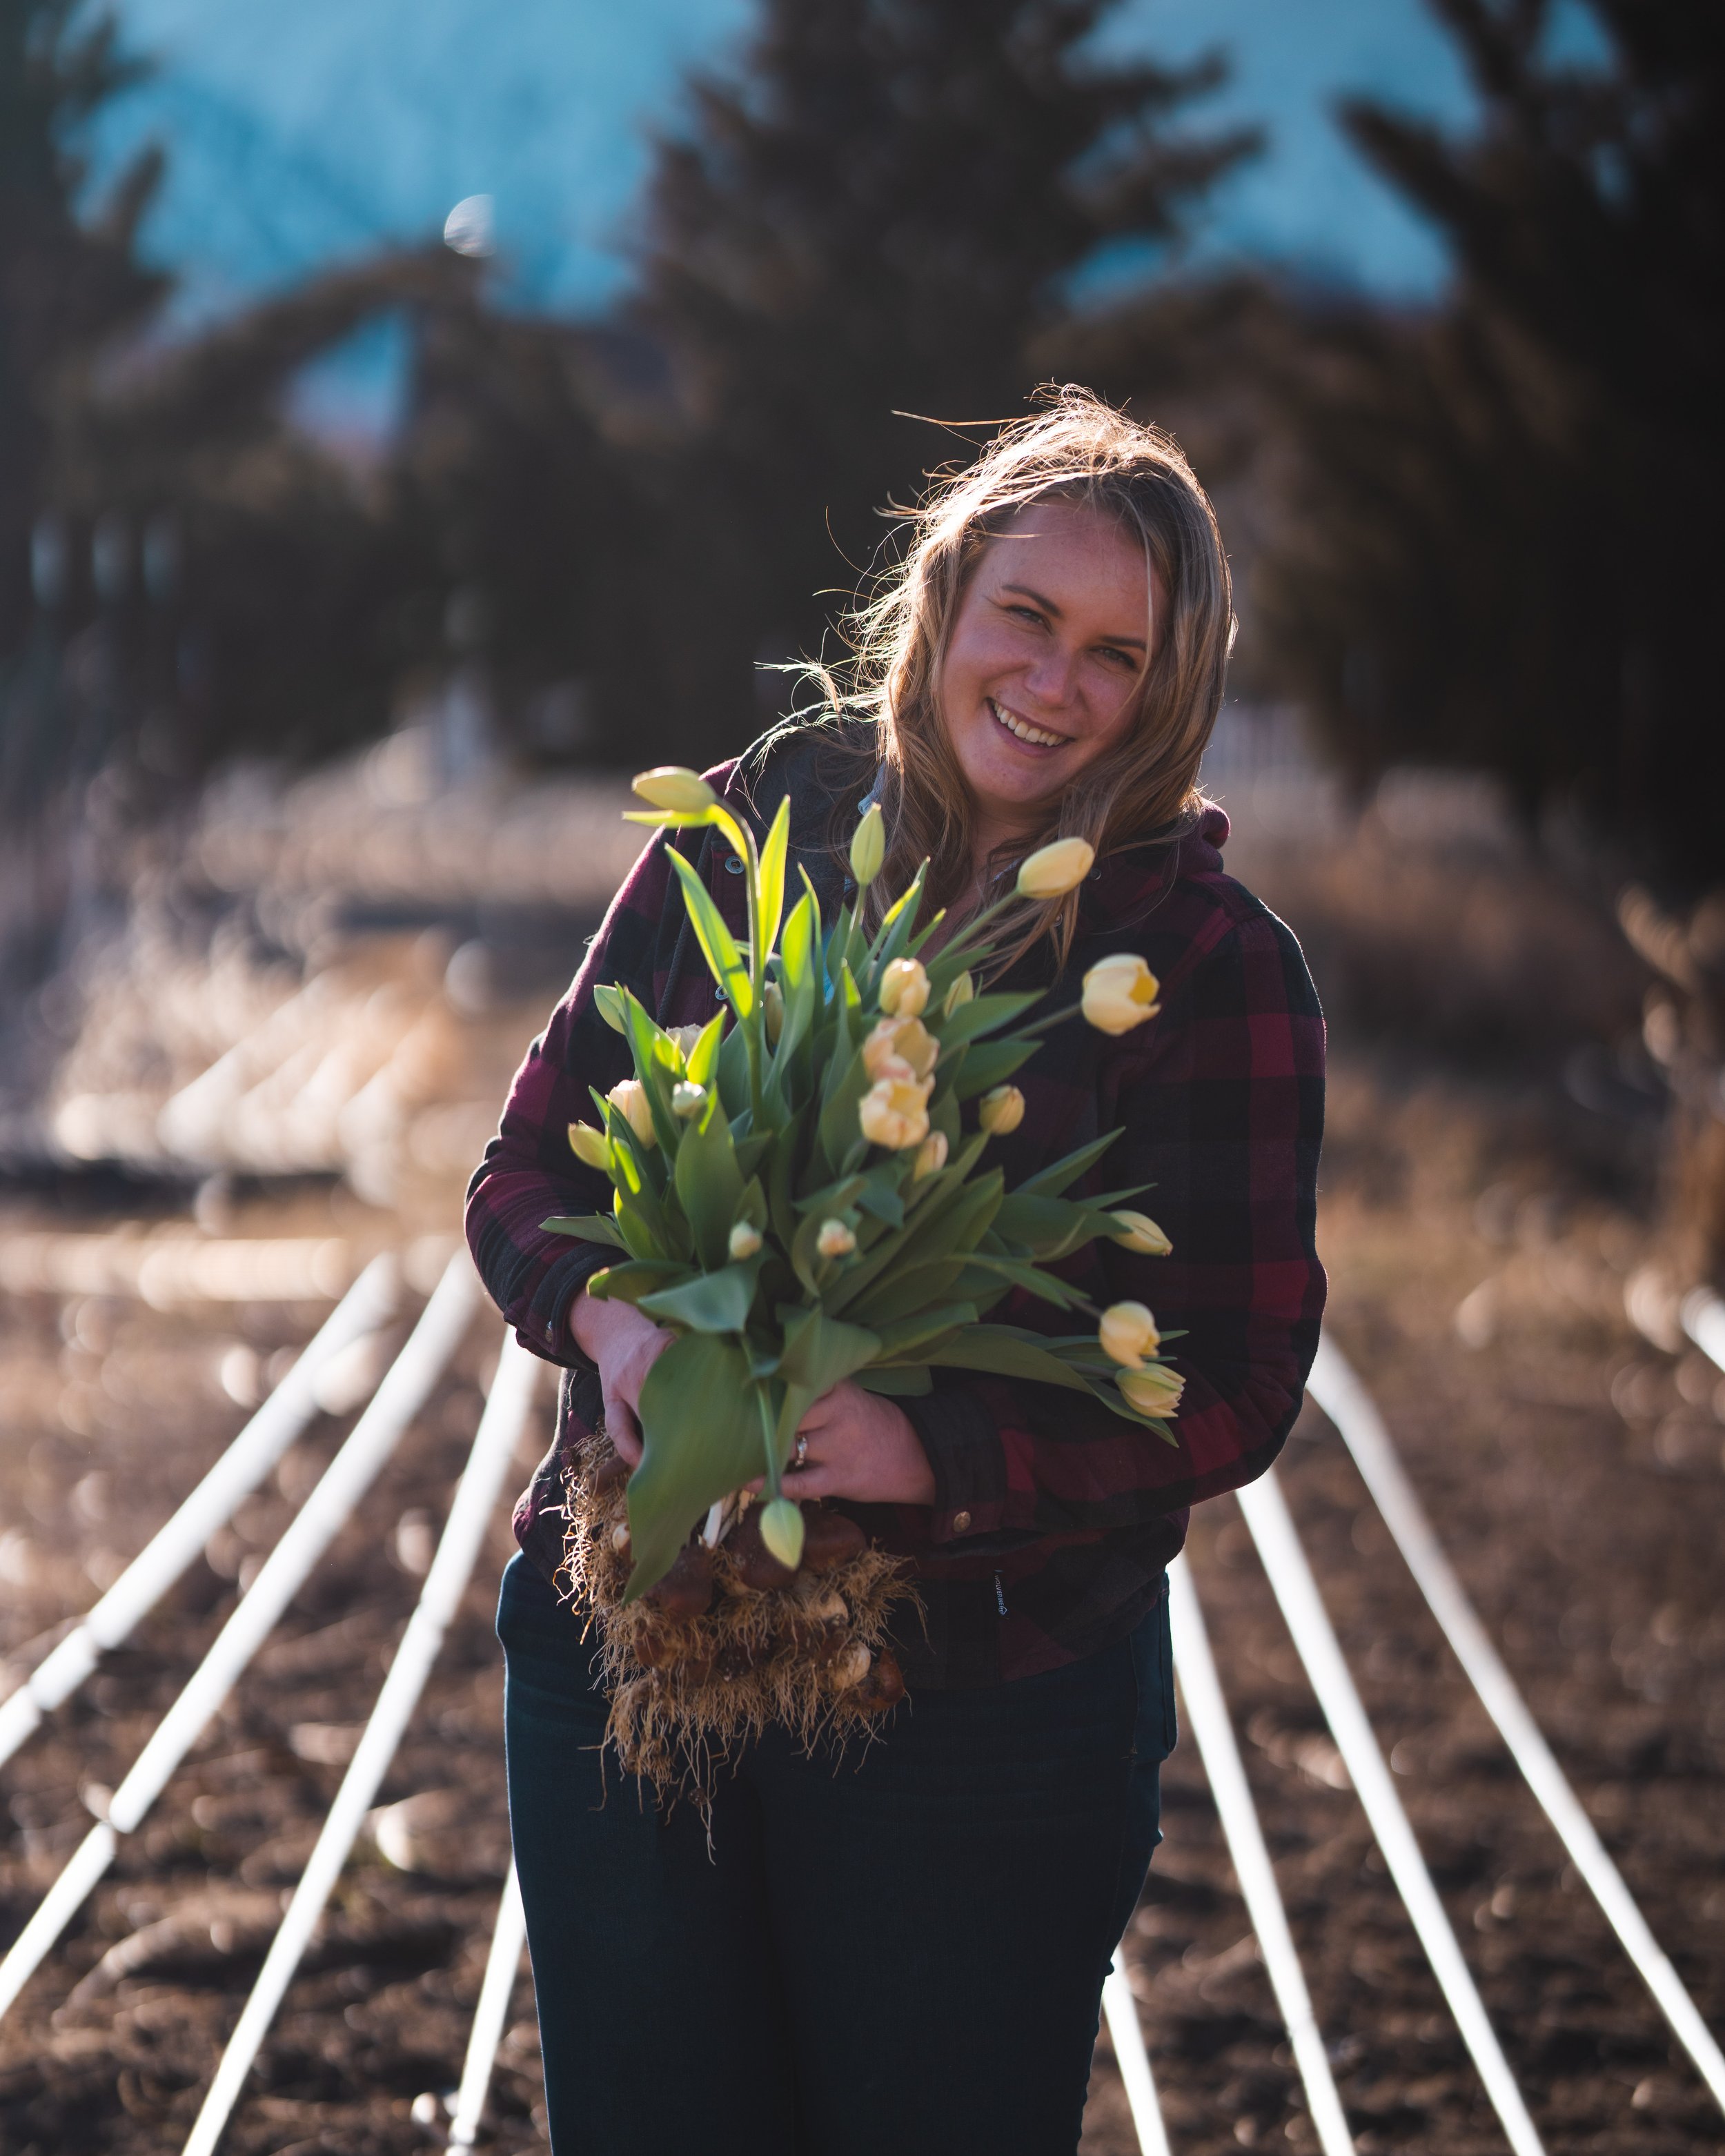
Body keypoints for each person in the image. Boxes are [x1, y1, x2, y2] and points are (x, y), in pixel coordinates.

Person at [466, 386, 1325, 2156]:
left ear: (1169, 688)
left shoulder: (1201, 959)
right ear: (943, 599)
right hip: (640, 1636)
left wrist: (939, 1458)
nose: (1053, 683)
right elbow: (527, 1177)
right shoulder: (761, 826)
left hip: (979, 1706)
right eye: (1024, 616)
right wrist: (618, 1323)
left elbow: (1234, 1382)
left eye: (1115, 653)